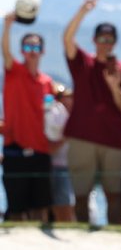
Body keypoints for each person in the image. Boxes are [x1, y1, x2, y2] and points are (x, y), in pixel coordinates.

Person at [62, 0, 121, 225]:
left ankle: (114, 236)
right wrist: (83, 11)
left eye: (110, 39)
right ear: (94, 40)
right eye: (102, 38)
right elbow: (67, 39)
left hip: (112, 139)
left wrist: (114, 86)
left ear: (115, 43)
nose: (106, 43)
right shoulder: (83, 62)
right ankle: (83, 235)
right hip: (82, 137)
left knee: (114, 194)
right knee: (81, 195)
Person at [2, 12, 55, 222]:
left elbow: (51, 116)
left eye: (36, 47)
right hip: (15, 148)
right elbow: (5, 52)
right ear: (22, 51)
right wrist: (7, 26)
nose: (32, 51)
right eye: (27, 47)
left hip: (41, 150)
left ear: (42, 51)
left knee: (41, 207)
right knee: (16, 208)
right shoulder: (14, 71)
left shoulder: (47, 82)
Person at [46, 84, 74, 223]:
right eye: (62, 96)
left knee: (68, 206)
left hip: (71, 168)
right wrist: (66, 136)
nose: (68, 99)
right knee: (62, 206)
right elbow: (50, 148)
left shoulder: (73, 117)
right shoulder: (53, 116)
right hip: (57, 167)